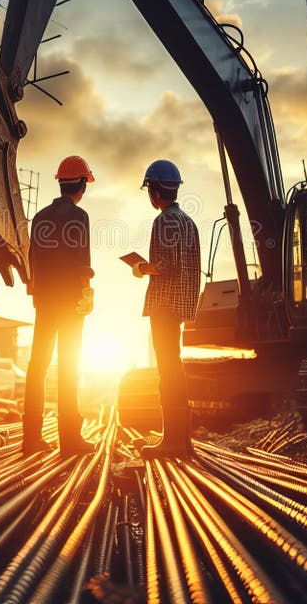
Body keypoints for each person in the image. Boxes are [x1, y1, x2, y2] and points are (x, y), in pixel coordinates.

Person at [22, 155, 95, 456]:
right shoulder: (79, 217)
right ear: (81, 184)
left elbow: (32, 262)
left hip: (45, 303)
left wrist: (38, 293)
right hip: (71, 304)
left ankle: (30, 439)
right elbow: (82, 260)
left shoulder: (39, 218)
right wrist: (87, 291)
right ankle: (70, 440)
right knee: (68, 368)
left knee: (37, 368)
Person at [132, 159, 200, 458]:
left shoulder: (165, 221)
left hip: (164, 305)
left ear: (155, 190)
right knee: (175, 367)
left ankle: (172, 441)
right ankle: (180, 440)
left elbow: (167, 266)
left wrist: (140, 267)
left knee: (167, 371)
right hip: (181, 305)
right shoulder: (189, 222)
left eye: (150, 189)